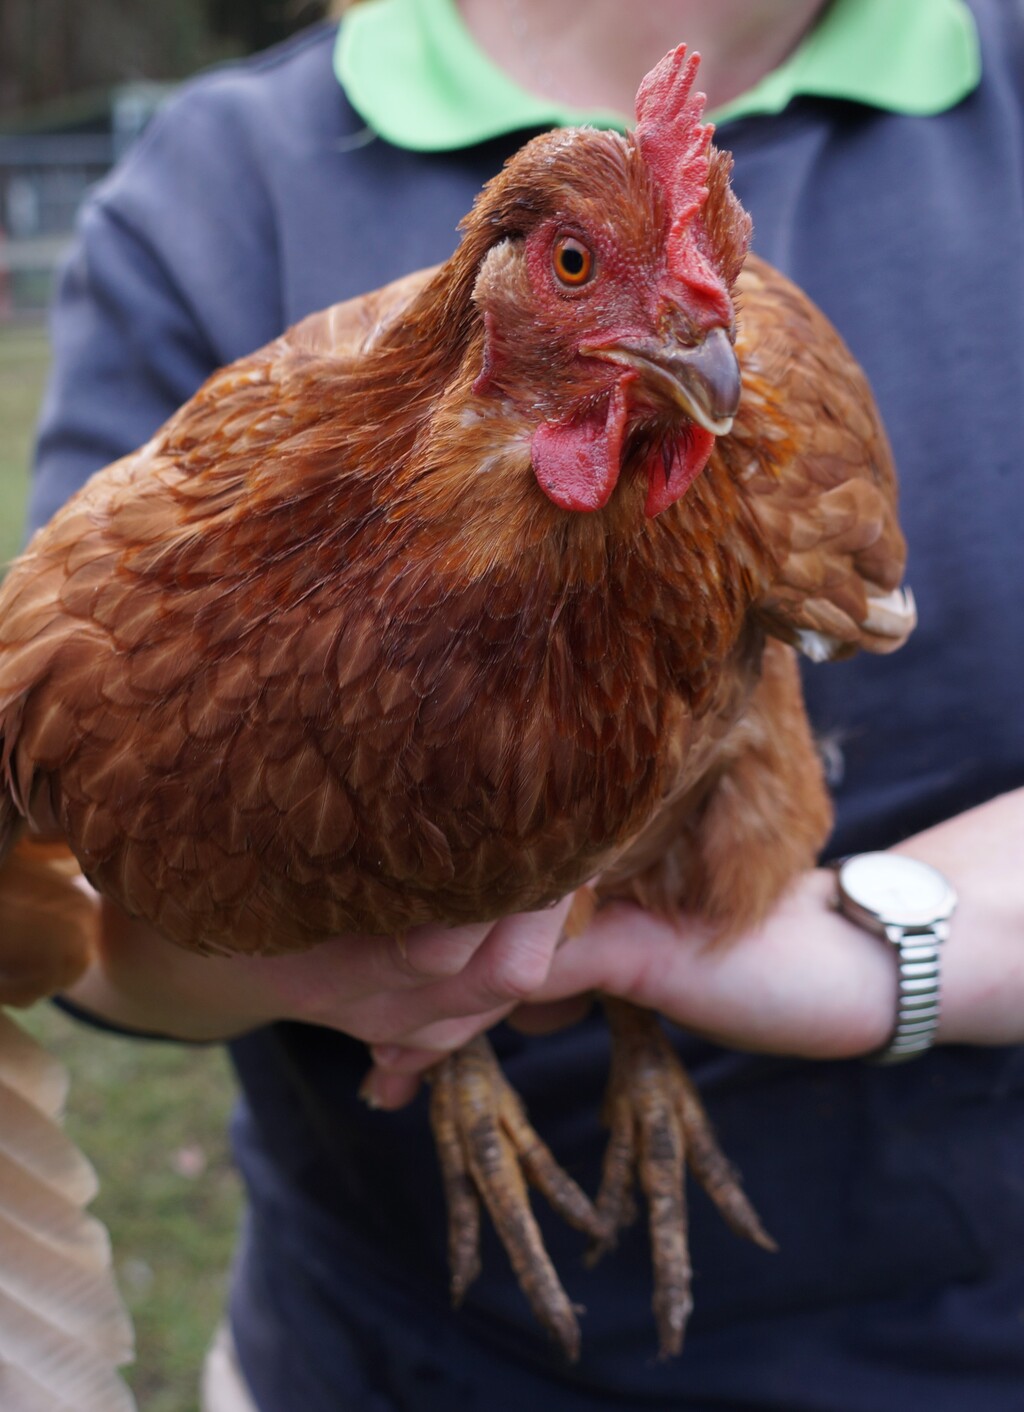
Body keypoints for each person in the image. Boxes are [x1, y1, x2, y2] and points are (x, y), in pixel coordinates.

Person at [26, 0, 1024, 1407]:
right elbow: (68, 905)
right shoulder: (214, 178)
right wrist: (376, 992)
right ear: (495, 288)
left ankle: (630, 1050)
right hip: (381, 1352)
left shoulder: (792, 387)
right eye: (572, 265)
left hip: (956, 1336)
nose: (703, 346)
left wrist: (874, 956)